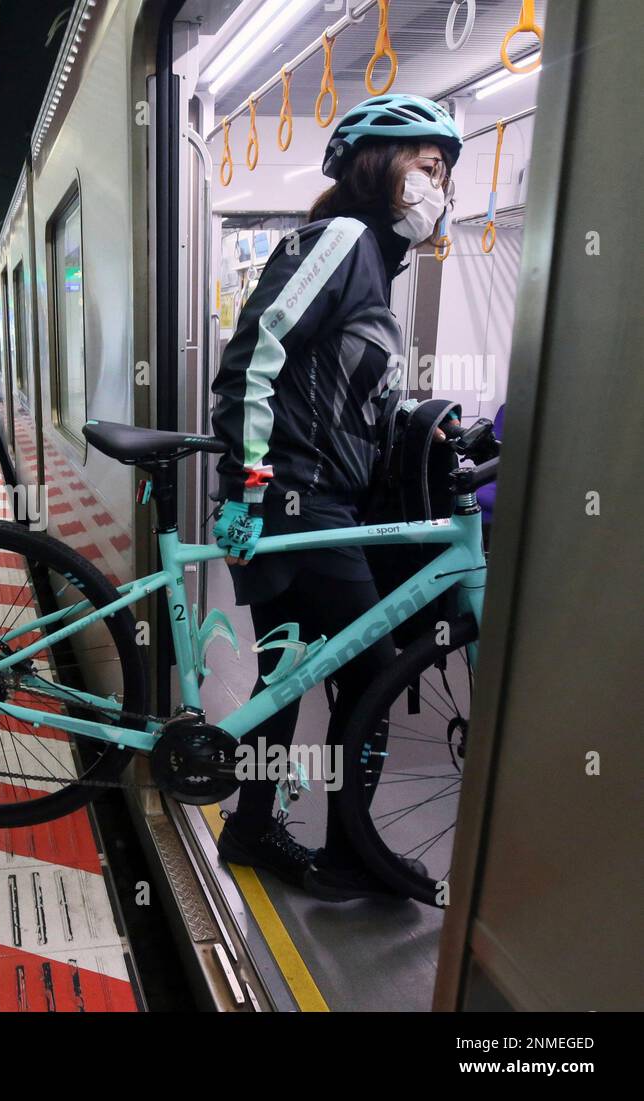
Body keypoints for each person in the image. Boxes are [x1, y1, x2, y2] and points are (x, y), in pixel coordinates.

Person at [209, 94, 463, 903]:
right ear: (375, 166)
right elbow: (254, 356)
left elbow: (340, 396)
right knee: (373, 673)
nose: (439, 186)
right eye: (427, 166)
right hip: (297, 500)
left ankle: (251, 827)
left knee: (287, 670)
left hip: (325, 504)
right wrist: (248, 483)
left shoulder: (378, 265)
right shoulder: (345, 240)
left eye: (445, 174)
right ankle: (355, 853)